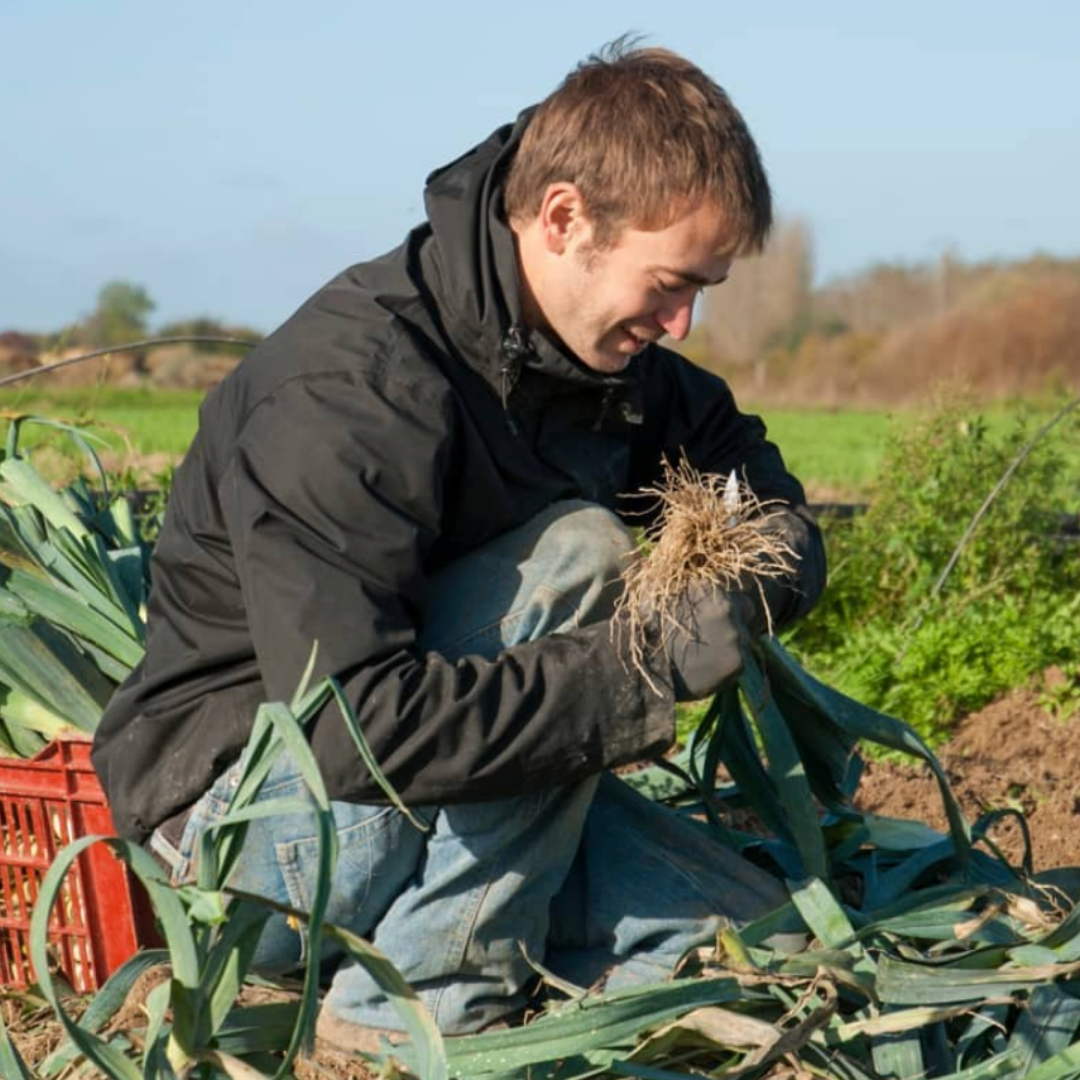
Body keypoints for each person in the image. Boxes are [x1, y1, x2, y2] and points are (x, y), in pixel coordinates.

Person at [92, 40, 826, 1051]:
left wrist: (744, 592)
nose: (683, 322)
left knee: (768, 940)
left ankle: (471, 953)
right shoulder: (351, 390)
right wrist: (644, 670)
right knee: (582, 558)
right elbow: (352, 733)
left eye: (703, 288)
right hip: (252, 840)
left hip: (449, 799)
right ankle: (420, 1013)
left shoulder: (606, 362)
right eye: (668, 284)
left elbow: (765, 500)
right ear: (563, 217)